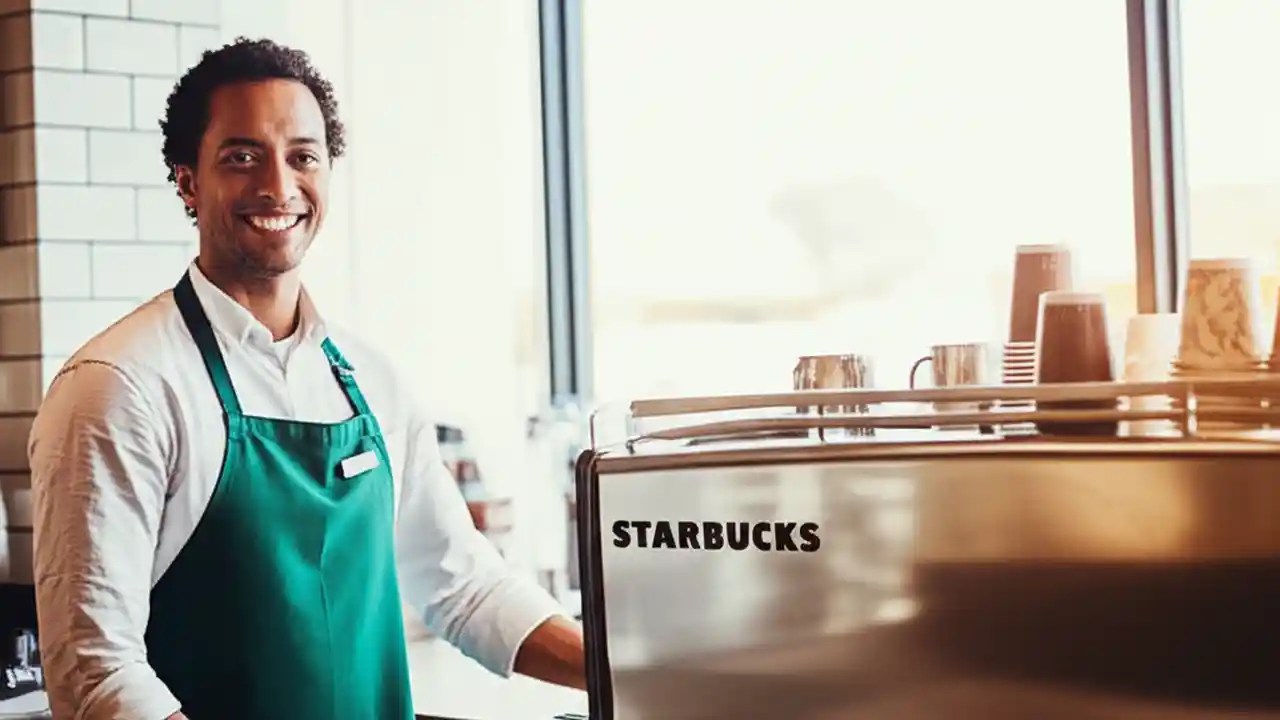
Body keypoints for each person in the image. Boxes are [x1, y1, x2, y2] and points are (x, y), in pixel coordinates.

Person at [28, 37, 585, 720]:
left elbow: (463, 587)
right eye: (241, 157)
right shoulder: (119, 386)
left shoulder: (373, 381)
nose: (278, 186)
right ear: (188, 181)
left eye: (302, 157)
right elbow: (96, 671)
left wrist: (632, 673)